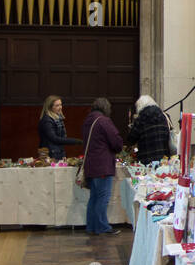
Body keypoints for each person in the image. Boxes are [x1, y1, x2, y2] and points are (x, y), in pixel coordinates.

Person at [83, 97, 124, 235]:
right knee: (102, 197)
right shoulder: (104, 121)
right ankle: (102, 227)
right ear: (106, 108)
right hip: (102, 165)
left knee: (94, 197)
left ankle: (91, 226)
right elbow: (116, 142)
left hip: (91, 165)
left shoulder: (88, 120)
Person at [125, 94, 171, 165]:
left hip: (147, 159)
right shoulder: (164, 116)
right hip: (164, 159)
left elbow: (131, 139)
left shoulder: (141, 119)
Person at [38, 95, 81, 160]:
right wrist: (76, 141)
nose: (60, 107)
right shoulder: (47, 120)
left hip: (57, 153)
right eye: (57, 105)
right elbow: (55, 139)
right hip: (49, 155)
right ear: (50, 107)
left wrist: (63, 153)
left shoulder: (58, 119)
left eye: (60, 105)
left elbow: (61, 139)